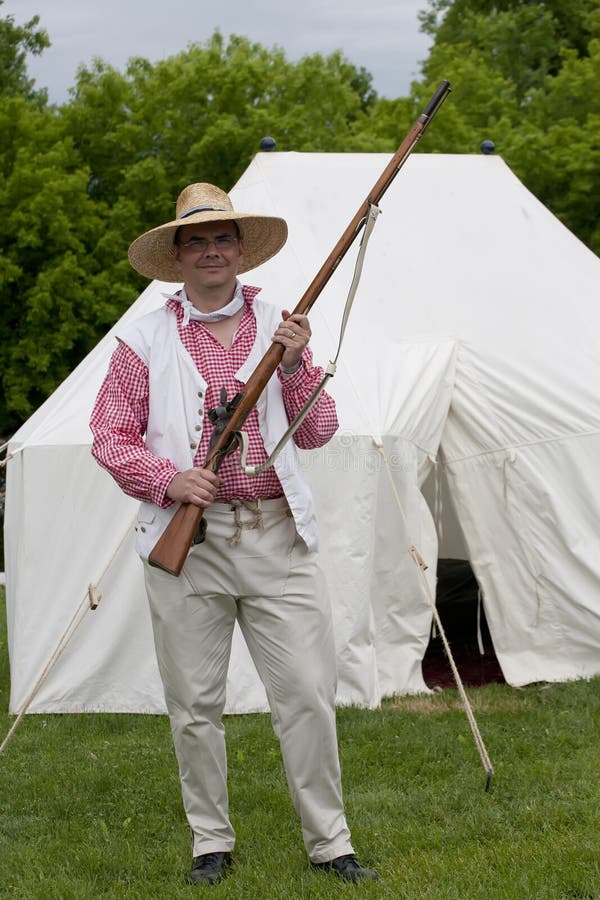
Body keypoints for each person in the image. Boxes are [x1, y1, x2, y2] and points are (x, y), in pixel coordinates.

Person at [90, 182, 378, 886]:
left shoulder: (287, 324)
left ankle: (330, 843)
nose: (212, 250)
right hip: (189, 546)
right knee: (195, 705)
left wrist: (296, 364)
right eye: (197, 241)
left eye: (222, 238)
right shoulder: (142, 340)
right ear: (178, 257)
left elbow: (317, 431)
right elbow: (108, 436)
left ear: (240, 250)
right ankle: (209, 842)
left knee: (308, 693)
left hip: (278, 537)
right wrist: (168, 481)